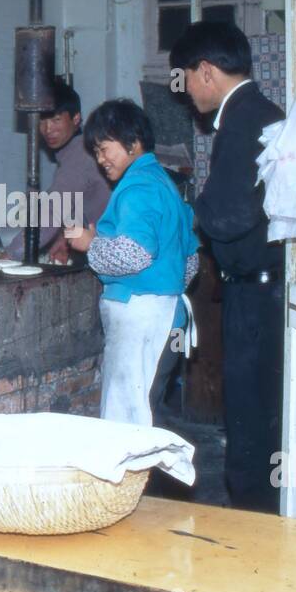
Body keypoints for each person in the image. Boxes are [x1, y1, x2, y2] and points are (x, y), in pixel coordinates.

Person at [170, 21, 285, 513]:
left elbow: (232, 213)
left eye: (185, 78)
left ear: (207, 71)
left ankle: (253, 535)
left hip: (255, 299)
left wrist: (190, 213)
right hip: (260, 292)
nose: (185, 90)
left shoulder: (241, 120)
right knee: (255, 416)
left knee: (250, 422)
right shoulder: (257, 111)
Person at [65, 99, 199, 426]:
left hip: (141, 321)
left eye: (104, 148)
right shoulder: (164, 184)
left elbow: (135, 254)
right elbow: (191, 261)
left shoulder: (137, 188)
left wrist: (89, 243)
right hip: (166, 317)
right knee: (145, 413)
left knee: (128, 423)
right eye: (95, 152)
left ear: (133, 143)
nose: (100, 160)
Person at [3, 78, 111, 264]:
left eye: (56, 120)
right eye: (42, 121)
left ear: (76, 118)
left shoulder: (80, 156)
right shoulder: (81, 148)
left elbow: (50, 215)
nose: (47, 129)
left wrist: (8, 257)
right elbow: (77, 200)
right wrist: (62, 237)